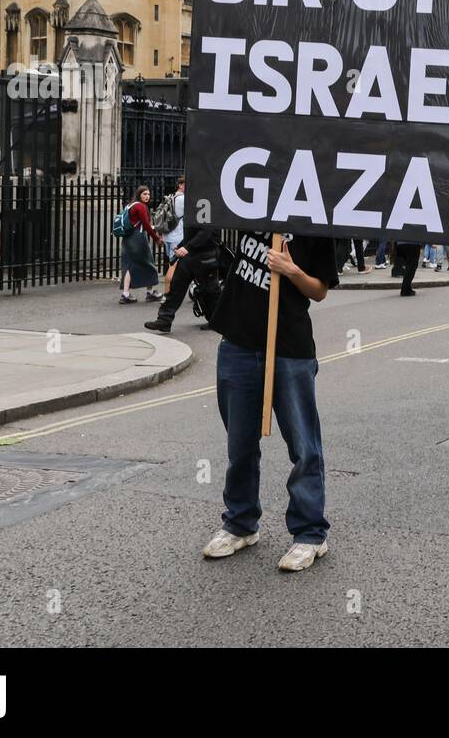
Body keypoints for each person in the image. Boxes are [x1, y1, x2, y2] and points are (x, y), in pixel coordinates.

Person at [201, 231, 339, 572]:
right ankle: (240, 523)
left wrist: (291, 270)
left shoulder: (317, 220)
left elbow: (319, 290)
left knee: (304, 446)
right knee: (240, 443)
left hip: (289, 348)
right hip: (238, 343)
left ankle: (310, 534)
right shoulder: (253, 201)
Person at [143, 193, 220, 334]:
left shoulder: (208, 205)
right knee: (176, 286)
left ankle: (216, 321)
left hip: (205, 255)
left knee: (210, 290)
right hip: (191, 256)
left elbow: (206, 232)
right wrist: (181, 246)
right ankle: (164, 320)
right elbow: (192, 235)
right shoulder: (193, 206)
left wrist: (187, 247)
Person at [119, 186, 164, 304]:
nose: (147, 196)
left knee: (129, 266)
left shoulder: (129, 205)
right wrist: (157, 239)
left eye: (148, 194)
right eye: (144, 194)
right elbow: (147, 225)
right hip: (138, 238)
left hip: (127, 239)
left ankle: (125, 294)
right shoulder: (141, 206)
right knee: (147, 263)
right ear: (139, 195)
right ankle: (150, 292)